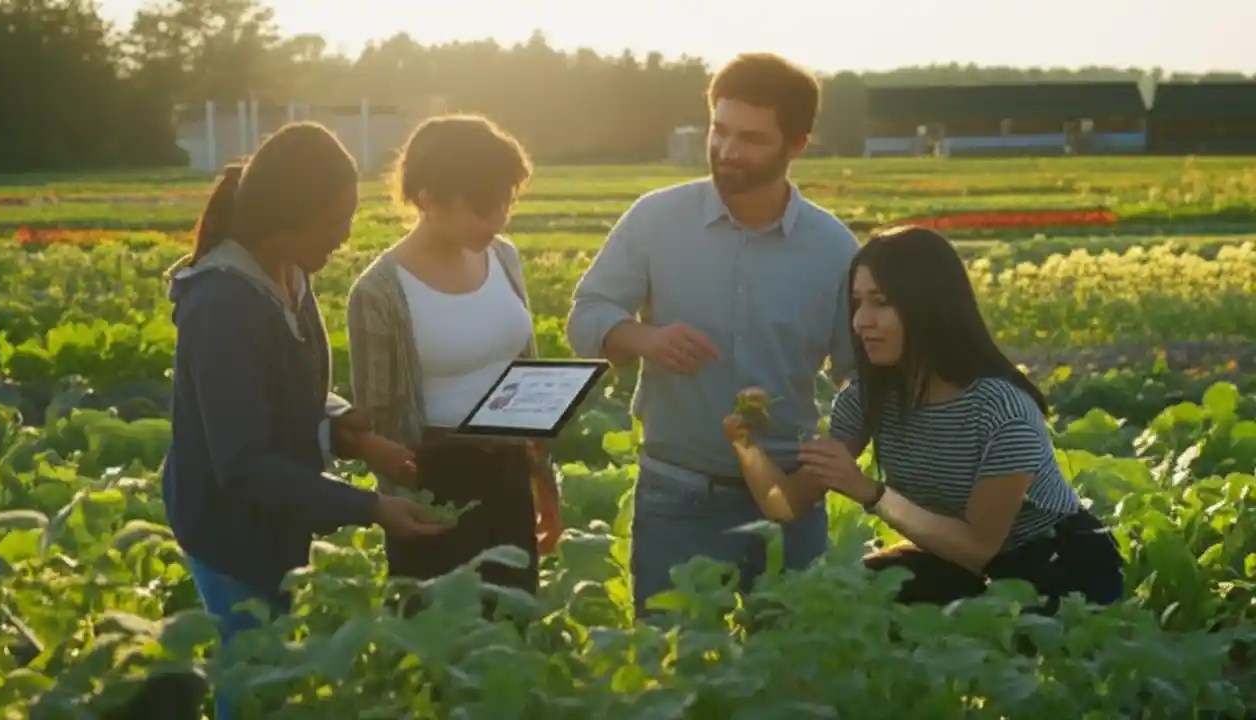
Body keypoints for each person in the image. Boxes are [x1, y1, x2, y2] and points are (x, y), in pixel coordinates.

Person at [162, 122, 451, 720]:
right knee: (254, 684)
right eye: (337, 217)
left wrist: (355, 433)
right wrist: (370, 509)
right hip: (228, 528)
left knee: (271, 669)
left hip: (275, 520)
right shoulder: (223, 304)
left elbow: (292, 396)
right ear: (292, 214)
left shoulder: (291, 275)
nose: (346, 235)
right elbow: (243, 463)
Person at [566, 53, 859, 616]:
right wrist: (642, 338)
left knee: (791, 679)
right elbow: (586, 318)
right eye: (719, 129)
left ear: (797, 144)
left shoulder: (833, 248)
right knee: (669, 676)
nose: (727, 150)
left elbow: (859, 379)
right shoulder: (655, 220)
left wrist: (828, 469)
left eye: (751, 138)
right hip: (677, 498)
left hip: (790, 502)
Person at [722, 225, 1126, 614]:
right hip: (955, 559)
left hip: (1058, 564)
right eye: (857, 302)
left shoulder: (1001, 408)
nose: (861, 321)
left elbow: (978, 548)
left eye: (880, 302)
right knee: (843, 596)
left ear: (928, 307)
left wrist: (869, 492)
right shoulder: (867, 396)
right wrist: (745, 443)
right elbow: (786, 505)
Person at [345, 114, 563, 611]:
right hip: (437, 485)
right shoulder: (380, 293)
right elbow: (381, 419)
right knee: (442, 645)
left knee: (512, 632)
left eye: (506, 202)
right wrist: (405, 507)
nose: (498, 219)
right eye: (483, 208)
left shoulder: (504, 258)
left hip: (509, 477)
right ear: (427, 197)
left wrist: (542, 480)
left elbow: (524, 377)